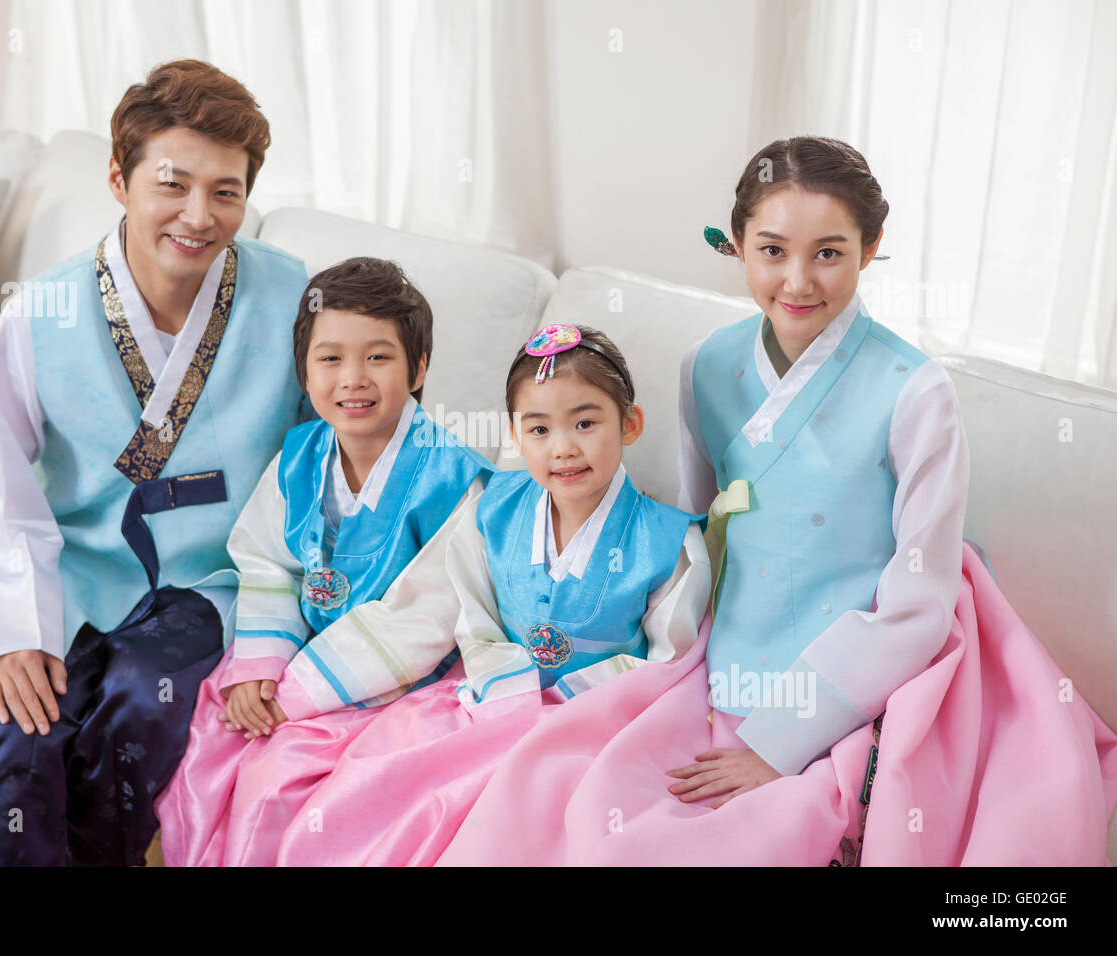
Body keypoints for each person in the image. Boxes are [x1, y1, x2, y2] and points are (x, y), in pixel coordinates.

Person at [437, 136, 1117, 866]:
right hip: (722, 658)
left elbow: (918, 604)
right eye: (771, 250)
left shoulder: (916, 392)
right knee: (566, 804)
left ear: (871, 245)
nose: (798, 281)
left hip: (864, 669)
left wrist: (780, 740)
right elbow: (705, 538)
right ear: (736, 247)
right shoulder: (708, 366)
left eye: (829, 252)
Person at [0, 59, 309, 866]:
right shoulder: (44, 310)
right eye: (173, 184)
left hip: (217, 583)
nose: (198, 216)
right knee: (21, 730)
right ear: (119, 177)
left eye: (226, 191)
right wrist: (10, 631)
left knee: (141, 701)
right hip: (81, 575)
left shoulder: (292, 299)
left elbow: (336, 450)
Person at [260, 324, 711, 865]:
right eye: (539, 429)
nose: (564, 449)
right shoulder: (491, 507)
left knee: (519, 823)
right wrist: (508, 688)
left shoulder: (671, 541)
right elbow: (466, 613)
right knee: (371, 794)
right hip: (487, 698)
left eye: (586, 423)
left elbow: (668, 662)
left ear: (630, 423)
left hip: (592, 724)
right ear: (516, 437)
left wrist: (562, 711)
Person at [155, 257, 495, 866]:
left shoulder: (453, 478)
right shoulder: (299, 456)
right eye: (331, 358)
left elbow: (426, 618)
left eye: (379, 357)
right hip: (301, 655)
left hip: (401, 678)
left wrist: (296, 694)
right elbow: (266, 563)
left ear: (418, 368)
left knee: (281, 780)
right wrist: (261, 667)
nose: (353, 379)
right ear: (304, 372)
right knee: (208, 740)